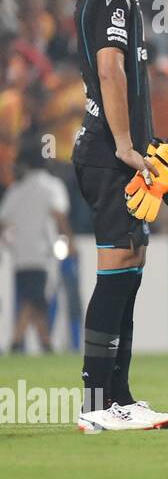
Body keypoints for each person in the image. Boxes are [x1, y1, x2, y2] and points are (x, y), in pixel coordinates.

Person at [72, 0, 168, 432]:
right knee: (116, 268)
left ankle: (118, 395)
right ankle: (95, 407)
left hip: (125, 154)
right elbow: (111, 69)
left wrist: (151, 156)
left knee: (131, 270)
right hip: (107, 153)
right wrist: (124, 145)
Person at [1, 139, 73, 353]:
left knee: (32, 297)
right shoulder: (52, 186)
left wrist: (6, 241)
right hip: (43, 253)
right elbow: (59, 214)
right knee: (36, 298)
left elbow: (3, 219)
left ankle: (44, 341)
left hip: (20, 254)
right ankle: (19, 339)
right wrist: (70, 240)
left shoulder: (17, 190)